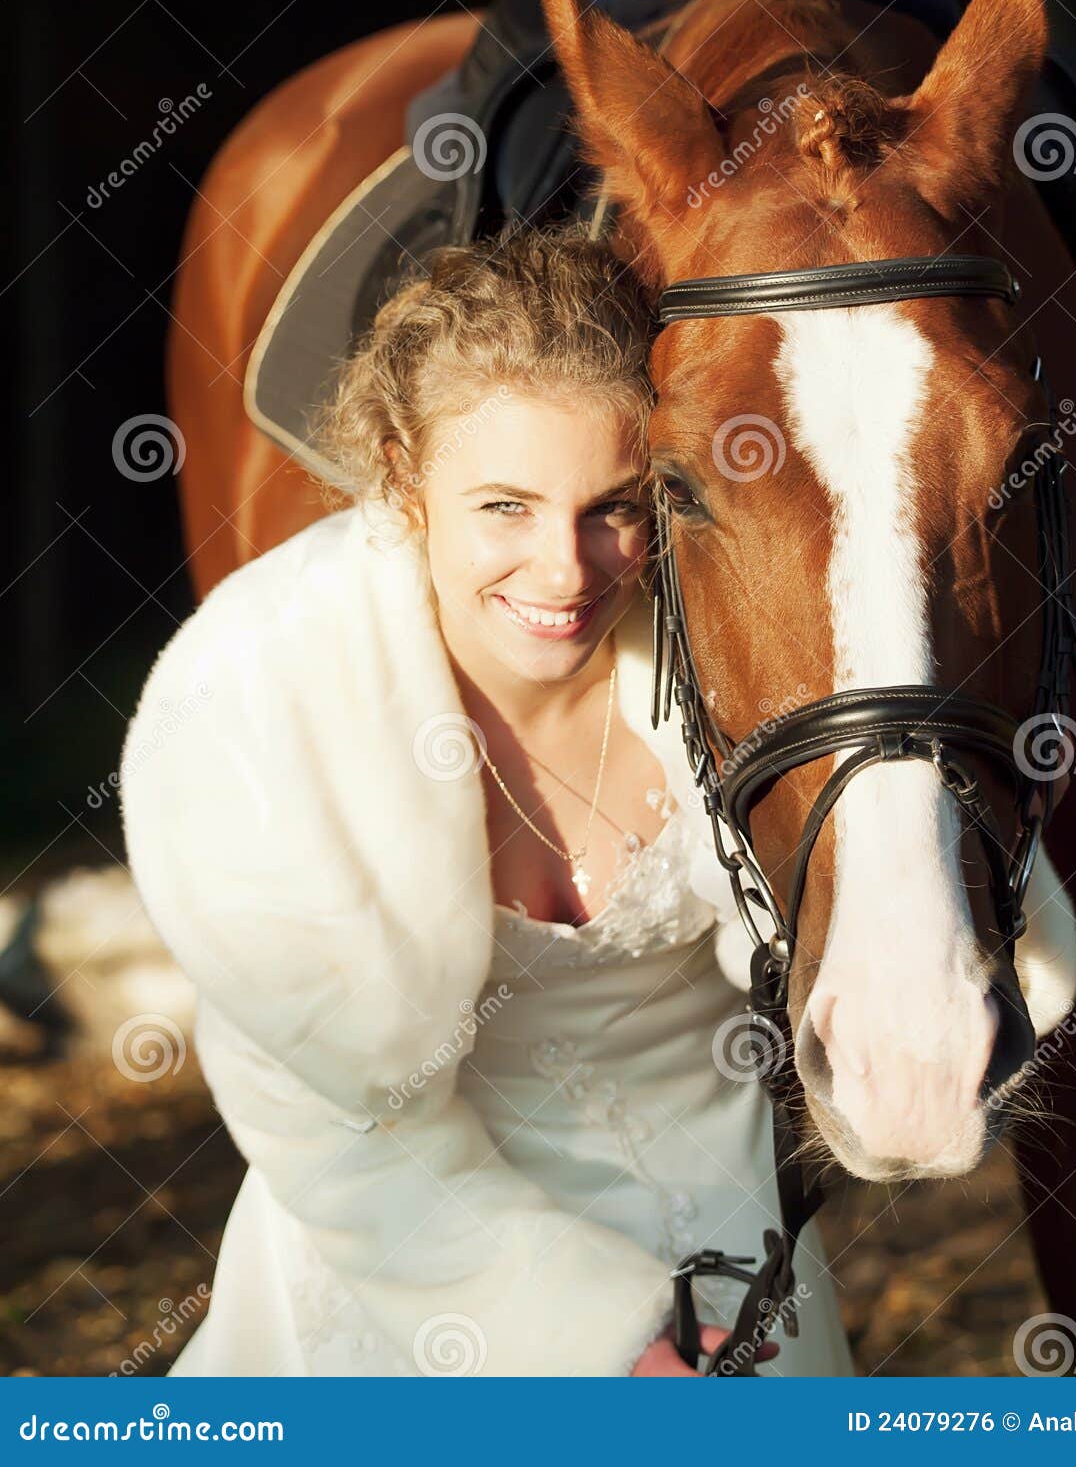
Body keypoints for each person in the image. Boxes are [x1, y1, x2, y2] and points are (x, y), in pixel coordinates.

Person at [119, 223, 853, 1377]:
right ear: (405, 480)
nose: (565, 569)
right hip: (413, 1266)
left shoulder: (737, 649)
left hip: (727, 1249)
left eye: (614, 505)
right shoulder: (269, 697)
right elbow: (329, 1128)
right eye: (505, 506)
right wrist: (598, 1342)